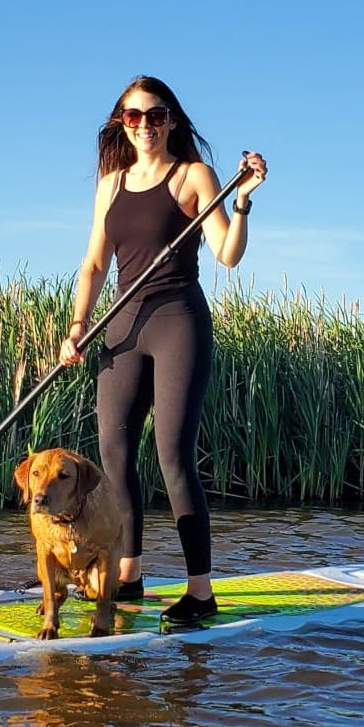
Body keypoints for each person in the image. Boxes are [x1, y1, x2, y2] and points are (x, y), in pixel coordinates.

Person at [58, 75, 267, 623]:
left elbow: (226, 254)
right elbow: (95, 264)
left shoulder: (195, 176)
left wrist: (241, 202)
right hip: (121, 323)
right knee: (114, 455)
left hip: (178, 321)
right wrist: (76, 325)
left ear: (171, 119)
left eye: (155, 115)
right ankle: (128, 576)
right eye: (134, 117)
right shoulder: (110, 183)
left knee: (173, 456)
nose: (145, 125)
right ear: (120, 124)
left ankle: (201, 591)